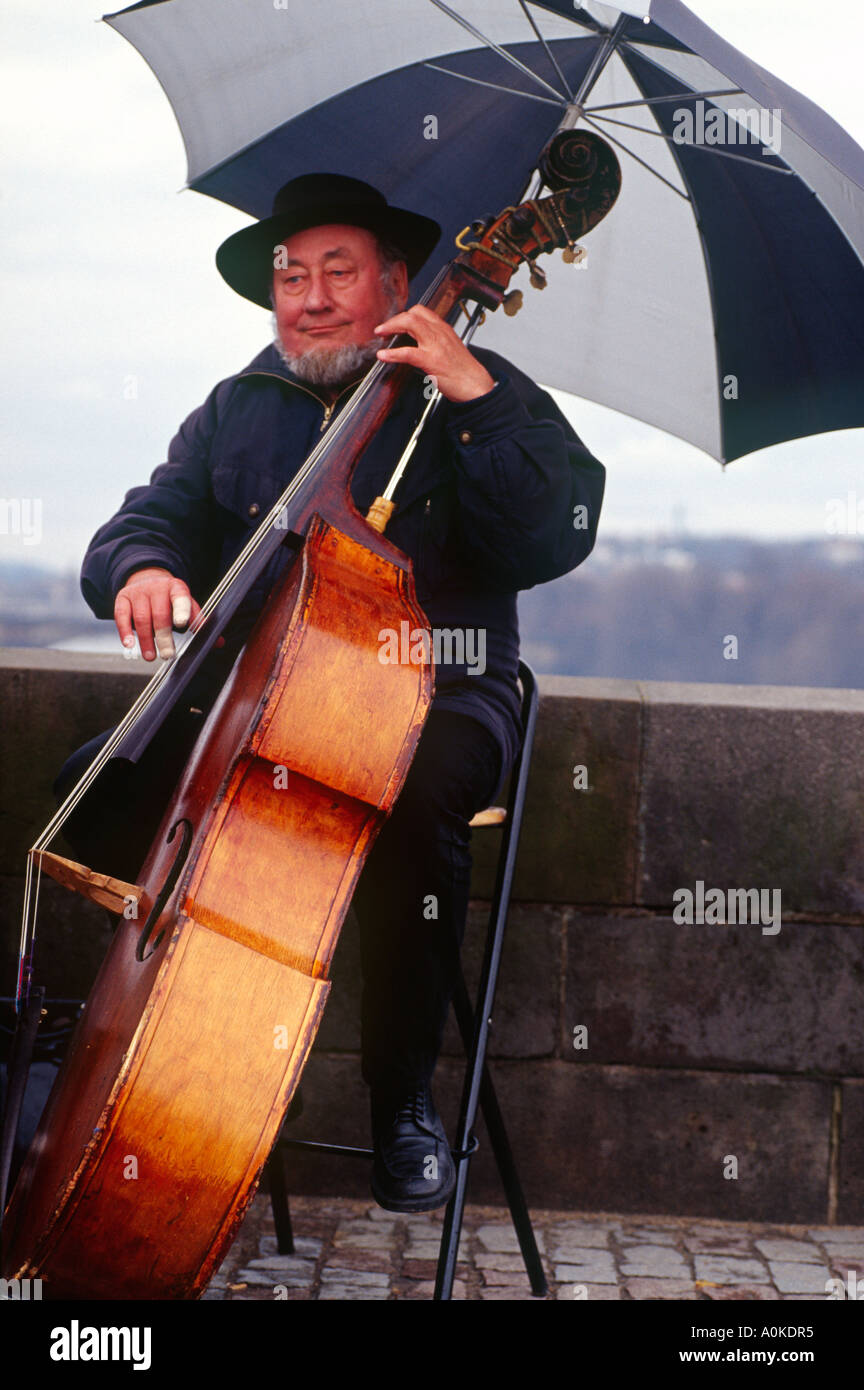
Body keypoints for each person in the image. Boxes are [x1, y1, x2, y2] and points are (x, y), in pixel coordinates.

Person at [56, 173, 605, 1214]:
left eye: (336, 273)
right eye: (290, 277)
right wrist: (141, 569)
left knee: (408, 790)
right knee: (102, 780)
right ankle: (116, 1065)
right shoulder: (239, 403)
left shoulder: (480, 390)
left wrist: (475, 394)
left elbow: (553, 534)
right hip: (265, 700)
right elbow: (143, 521)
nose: (306, 297)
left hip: (443, 691)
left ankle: (400, 1097)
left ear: (399, 282)